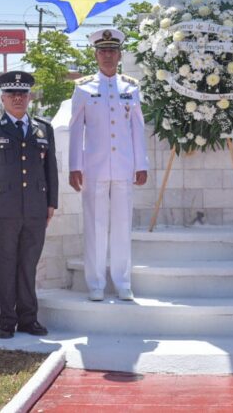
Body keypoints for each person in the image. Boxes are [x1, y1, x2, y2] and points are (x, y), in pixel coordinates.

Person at [0, 71, 58, 338]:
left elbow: (50, 169)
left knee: (28, 265)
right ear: (3, 98)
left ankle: (28, 319)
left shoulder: (44, 128)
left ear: (30, 97)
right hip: (3, 210)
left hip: (35, 209)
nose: (18, 98)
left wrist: (51, 203)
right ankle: (7, 321)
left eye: (22, 94)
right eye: (12, 94)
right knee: (6, 265)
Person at [69, 28, 148, 302]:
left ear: (119, 54)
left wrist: (141, 164)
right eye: (102, 51)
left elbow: (138, 128)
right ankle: (96, 283)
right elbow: (76, 129)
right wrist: (74, 166)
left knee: (123, 225)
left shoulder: (131, 88)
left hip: (124, 167)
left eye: (112, 51)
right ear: (95, 54)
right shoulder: (83, 88)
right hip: (94, 168)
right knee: (95, 226)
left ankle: (123, 281)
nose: (107, 55)